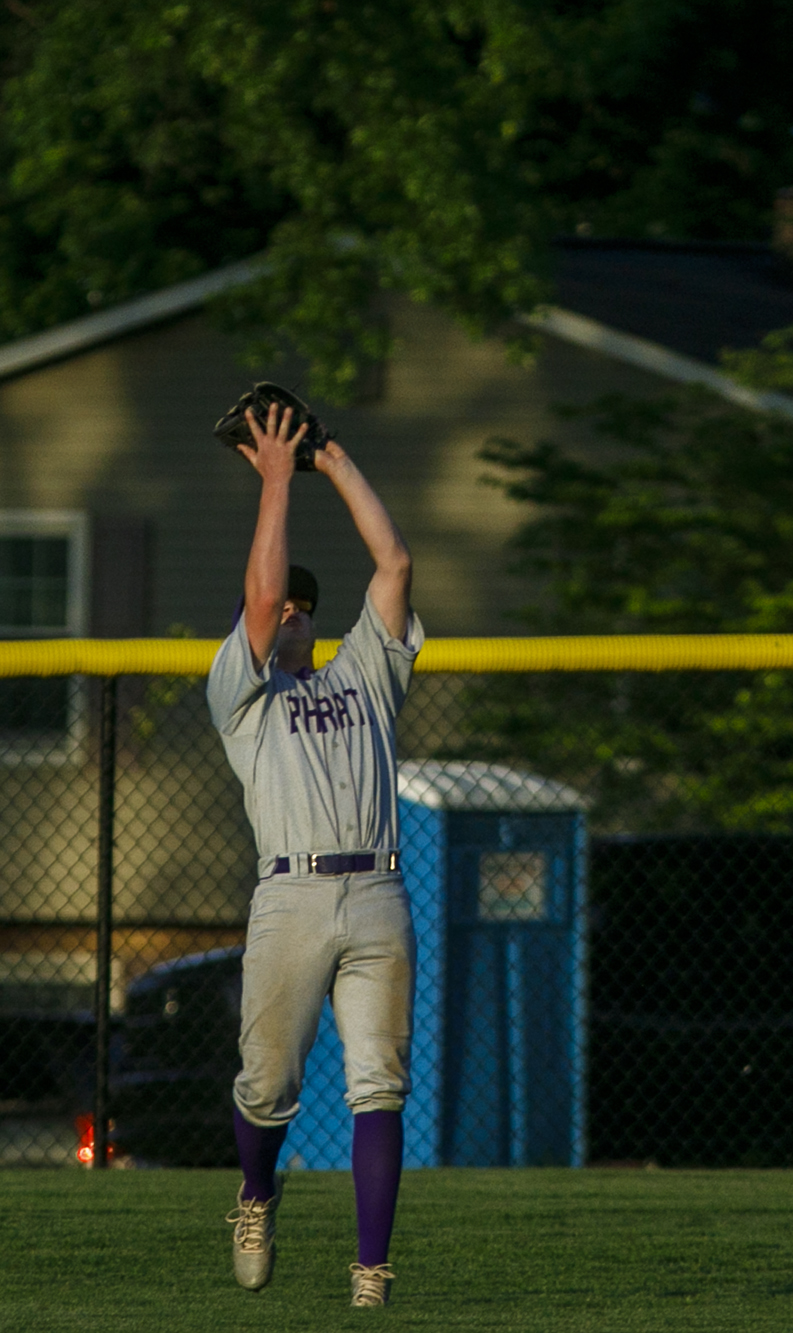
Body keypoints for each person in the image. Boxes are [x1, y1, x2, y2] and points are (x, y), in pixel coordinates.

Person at [207, 401, 421, 1309]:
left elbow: (396, 561)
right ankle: (256, 1192)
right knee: (268, 1087)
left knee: (380, 1084)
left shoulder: (363, 673)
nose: (290, 611)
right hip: (290, 899)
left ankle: (370, 1270)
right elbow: (257, 598)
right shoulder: (241, 691)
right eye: (280, 603)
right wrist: (275, 479)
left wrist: (329, 457)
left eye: (303, 604)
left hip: (376, 888)